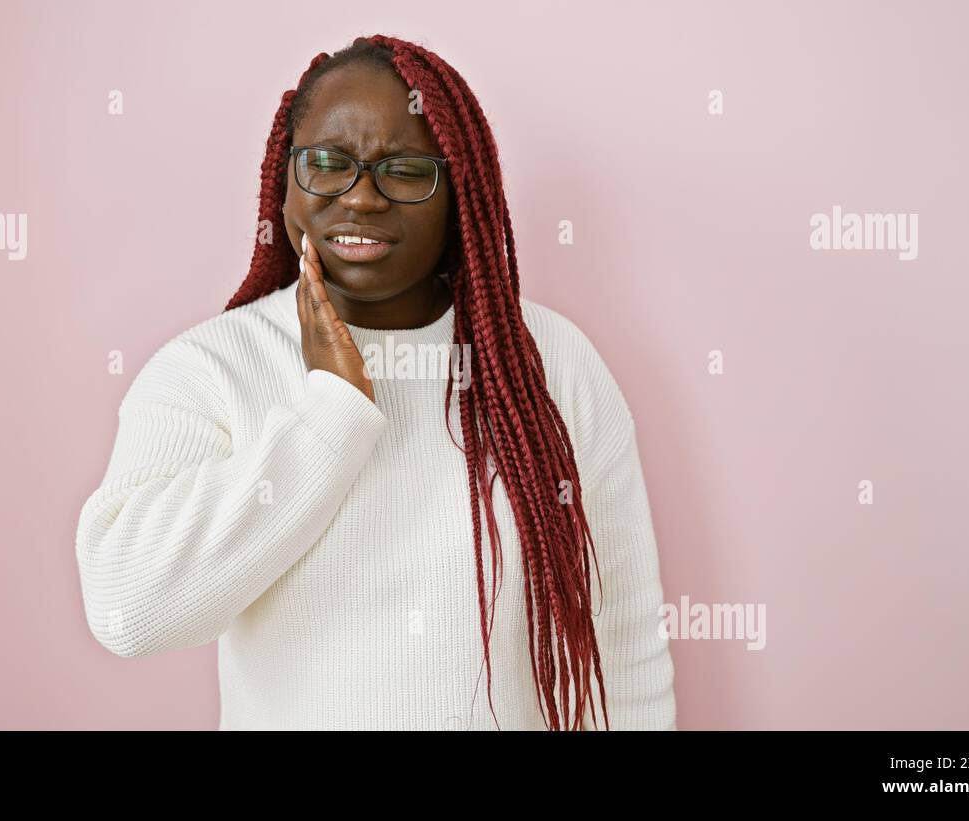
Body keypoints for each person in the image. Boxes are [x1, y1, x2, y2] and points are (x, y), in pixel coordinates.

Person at [75, 34, 676, 731]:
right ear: (284, 180)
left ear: (461, 191)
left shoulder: (551, 362)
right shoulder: (213, 366)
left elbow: (623, 640)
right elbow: (129, 610)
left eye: (405, 170)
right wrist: (331, 411)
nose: (360, 197)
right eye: (327, 164)